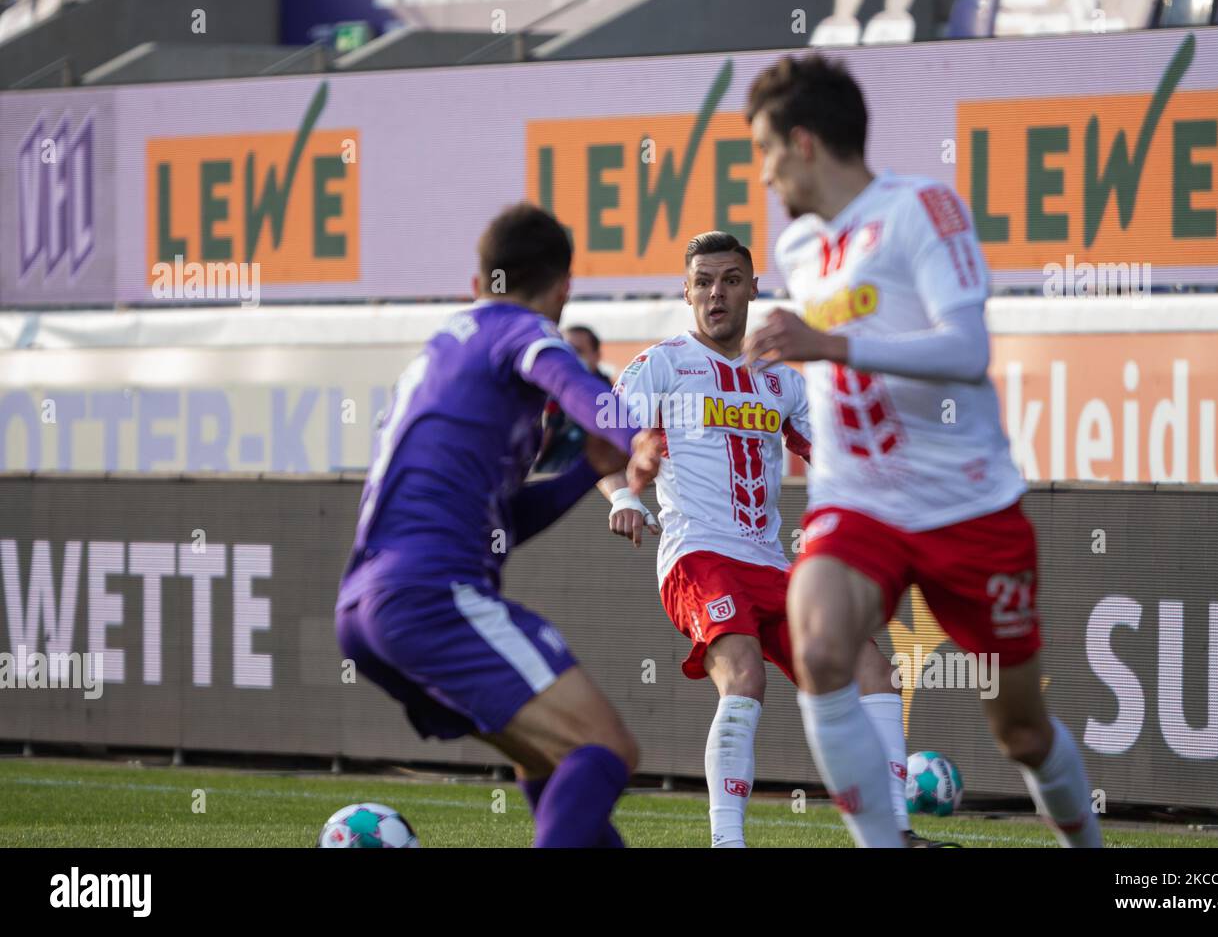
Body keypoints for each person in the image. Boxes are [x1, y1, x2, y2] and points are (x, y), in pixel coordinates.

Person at [743, 54, 1102, 848]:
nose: (762, 175)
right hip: (857, 500)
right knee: (820, 644)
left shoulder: (923, 208)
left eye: (765, 151)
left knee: (1021, 734)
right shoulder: (801, 246)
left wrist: (829, 341)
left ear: (803, 142)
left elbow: (966, 350)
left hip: (966, 505)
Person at [598, 230, 943, 847]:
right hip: (697, 555)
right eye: (703, 282)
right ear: (686, 291)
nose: (716, 293)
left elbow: (836, 459)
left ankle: (893, 833)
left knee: (873, 672)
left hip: (769, 562)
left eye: (730, 279)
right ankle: (727, 842)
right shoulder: (662, 365)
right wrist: (624, 496)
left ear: (754, 288)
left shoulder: (779, 381)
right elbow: (599, 441)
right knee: (745, 675)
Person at [335, 203, 662, 848]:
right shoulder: (516, 330)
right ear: (564, 288)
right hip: (431, 594)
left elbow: (498, 524)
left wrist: (582, 474)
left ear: (478, 278)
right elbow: (566, 375)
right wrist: (635, 434)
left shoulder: (442, 354)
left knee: (551, 760)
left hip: (367, 607)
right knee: (609, 747)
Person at [534, 326, 613, 473]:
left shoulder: (610, 400)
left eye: (578, 351)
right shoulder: (545, 394)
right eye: (565, 350)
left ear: (596, 355)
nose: (570, 357)